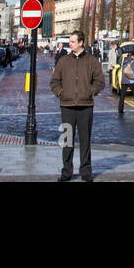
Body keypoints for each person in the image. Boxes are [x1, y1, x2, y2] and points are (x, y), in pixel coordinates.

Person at [49, 30, 104, 182]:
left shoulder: (92, 61)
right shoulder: (63, 61)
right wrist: (61, 93)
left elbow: (100, 81)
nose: (70, 44)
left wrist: (90, 92)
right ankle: (66, 171)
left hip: (85, 106)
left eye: (73, 41)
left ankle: (86, 171)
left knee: (85, 141)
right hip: (67, 106)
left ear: (81, 43)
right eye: (70, 41)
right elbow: (54, 82)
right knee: (67, 141)